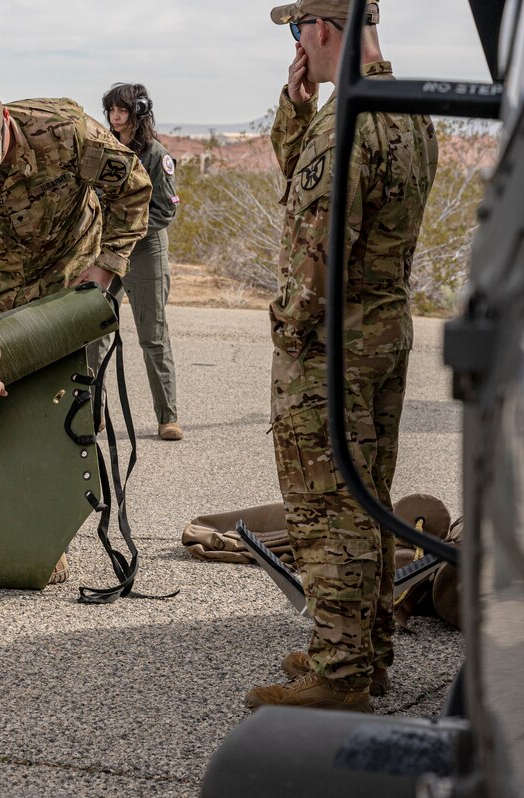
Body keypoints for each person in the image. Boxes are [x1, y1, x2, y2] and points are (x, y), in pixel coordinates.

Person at [245, 0, 438, 712]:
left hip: (332, 347)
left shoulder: (346, 124)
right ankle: (364, 649)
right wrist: (297, 108)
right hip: (383, 333)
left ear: (320, 30)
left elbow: (315, 247)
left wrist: (288, 330)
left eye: (299, 32)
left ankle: (341, 674)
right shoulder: (409, 110)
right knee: (368, 497)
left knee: (330, 507)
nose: (298, 46)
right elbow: (311, 179)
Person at [0, 81, 152, 417]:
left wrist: (106, 266)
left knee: (65, 384)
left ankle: (78, 426)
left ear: (6, 118)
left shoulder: (64, 131)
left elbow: (133, 188)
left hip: (69, 262)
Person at [88, 83, 182, 441]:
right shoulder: (105, 150)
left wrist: (125, 232)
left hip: (144, 251)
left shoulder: (156, 155)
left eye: (122, 110)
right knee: (92, 330)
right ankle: (92, 412)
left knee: (152, 336)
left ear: (139, 111)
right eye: (111, 110)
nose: (115, 117)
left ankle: (168, 417)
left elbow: (164, 212)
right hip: (106, 251)